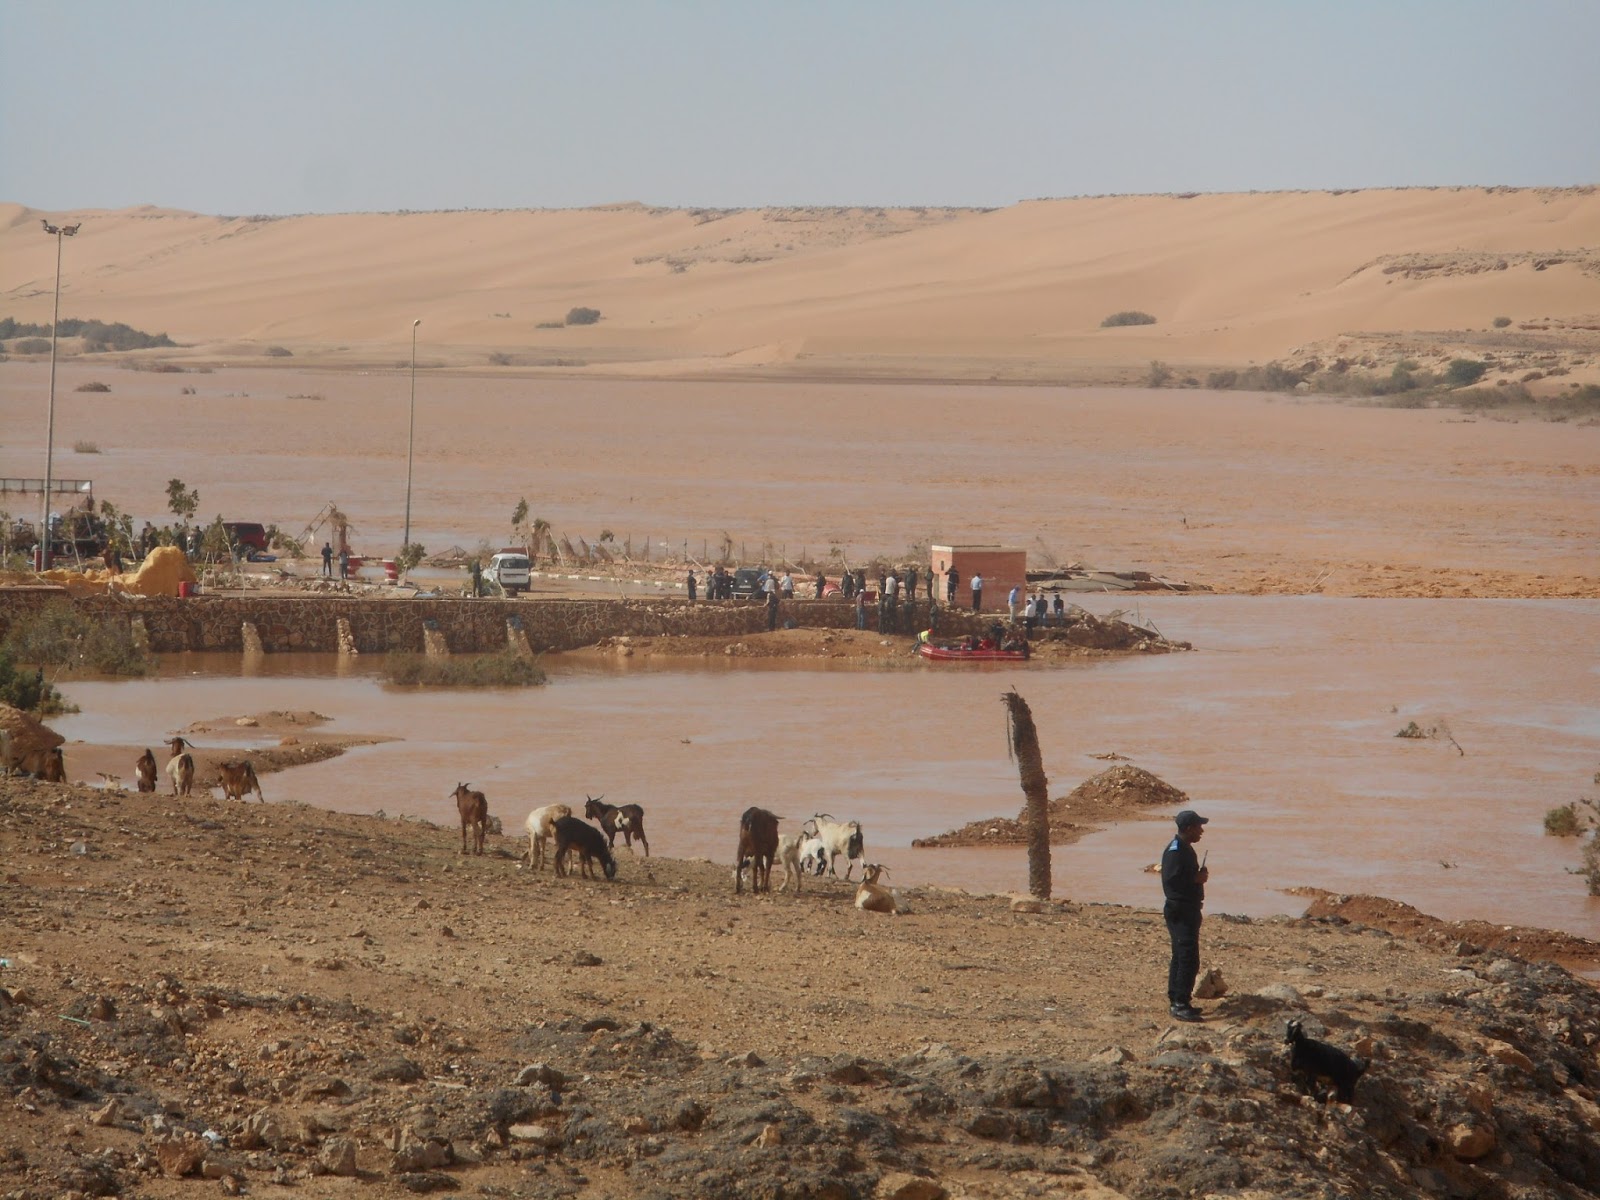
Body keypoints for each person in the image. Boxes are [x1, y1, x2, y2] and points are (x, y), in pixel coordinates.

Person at [1162, 809, 1211, 1023]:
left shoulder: (1185, 849)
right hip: (1180, 910)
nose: (1201, 831)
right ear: (1189, 828)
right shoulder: (1175, 851)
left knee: (1181, 955)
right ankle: (1179, 1003)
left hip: (1187, 909)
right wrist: (1196, 879)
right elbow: (1172, 882)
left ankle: (1178, 997)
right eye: (1199, 827)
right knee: (1187, 957)